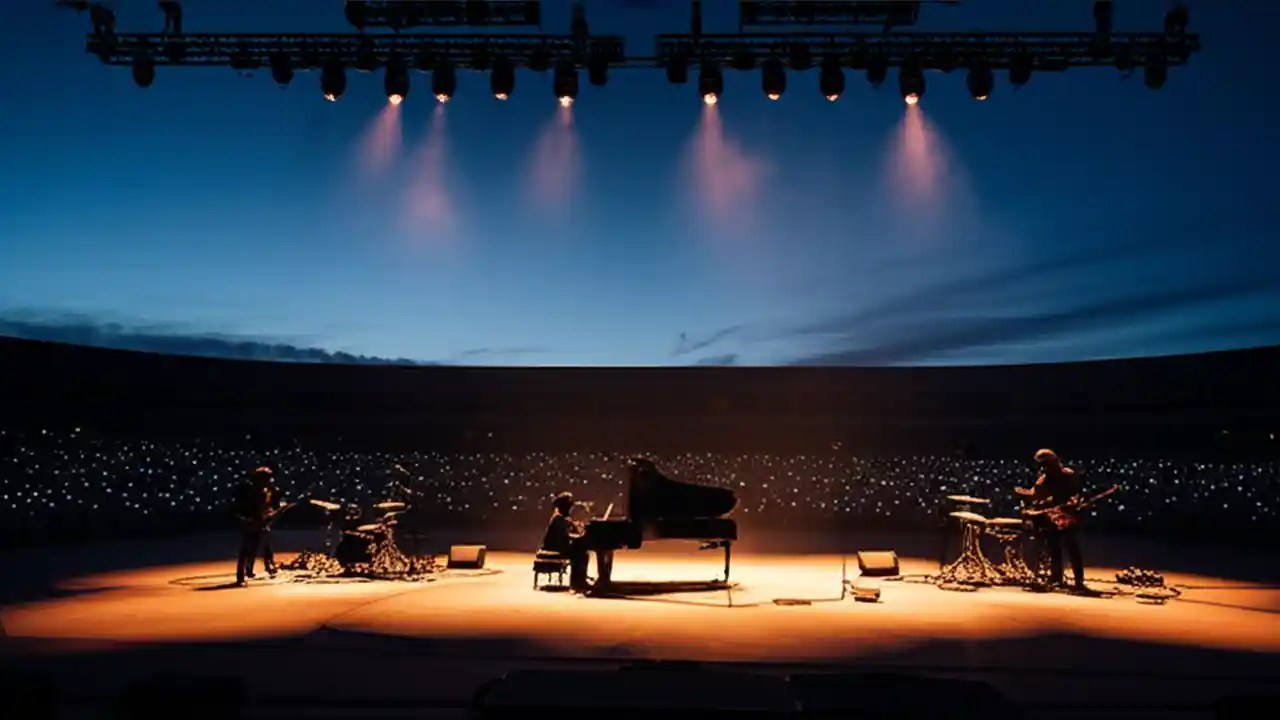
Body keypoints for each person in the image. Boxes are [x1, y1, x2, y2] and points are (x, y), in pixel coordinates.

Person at [1017, 449, 1086, 591]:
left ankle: (1060, 579)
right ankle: (1074, 581)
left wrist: (1025, 494)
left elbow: (1036, 495)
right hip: (1063, 515)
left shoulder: (1048, 478)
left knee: (1059, 548)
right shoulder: (1068, 474)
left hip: (1060, 516)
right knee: (1068, 549)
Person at [232, 466, 279, 585]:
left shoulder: (267, 489)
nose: (269, 481)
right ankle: (240, 576)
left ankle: (252, 570)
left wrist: (270, 513)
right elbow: (241, 507)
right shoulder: (249, 489)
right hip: (251, 521)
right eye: (267, 479)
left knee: (260, 545)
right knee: (247, 548)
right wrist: (247, 519)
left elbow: (267, 505)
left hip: (260, 521)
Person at [541, 492, 589, 591]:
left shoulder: (561, 517)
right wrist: (578, 534)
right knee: (579, 553)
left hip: (557, 545)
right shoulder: (559, 518)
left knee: (581, 552)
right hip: (554, 547)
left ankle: (579, 580)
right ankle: (577, 582)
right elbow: (565, 536)